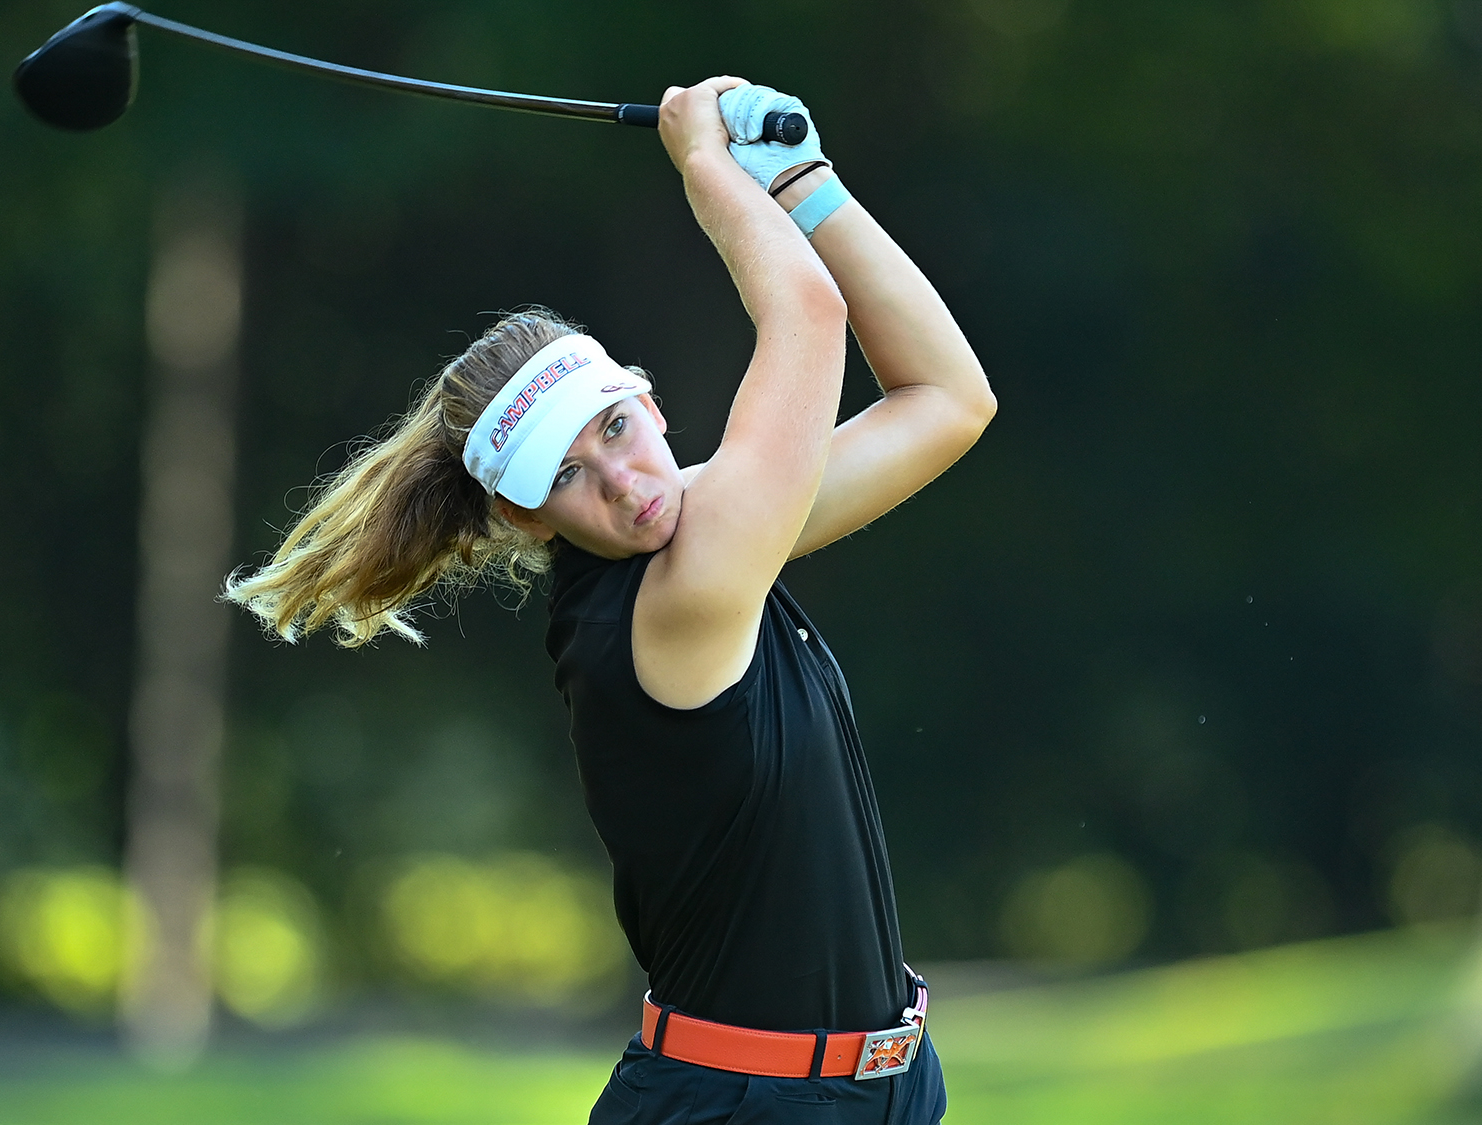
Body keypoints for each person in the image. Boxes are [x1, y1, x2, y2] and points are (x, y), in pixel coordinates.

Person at [226, 76, 994, 1125]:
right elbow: (807, 314)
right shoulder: (673, 601)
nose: (627, 483)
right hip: (746, 1106)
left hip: (874, 1090)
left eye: (616, 430)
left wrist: (807, 184)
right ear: (525, 517)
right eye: (569, 475)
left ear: (651, 401)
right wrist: (710, 166)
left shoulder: (711, 534)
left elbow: (947, 399)